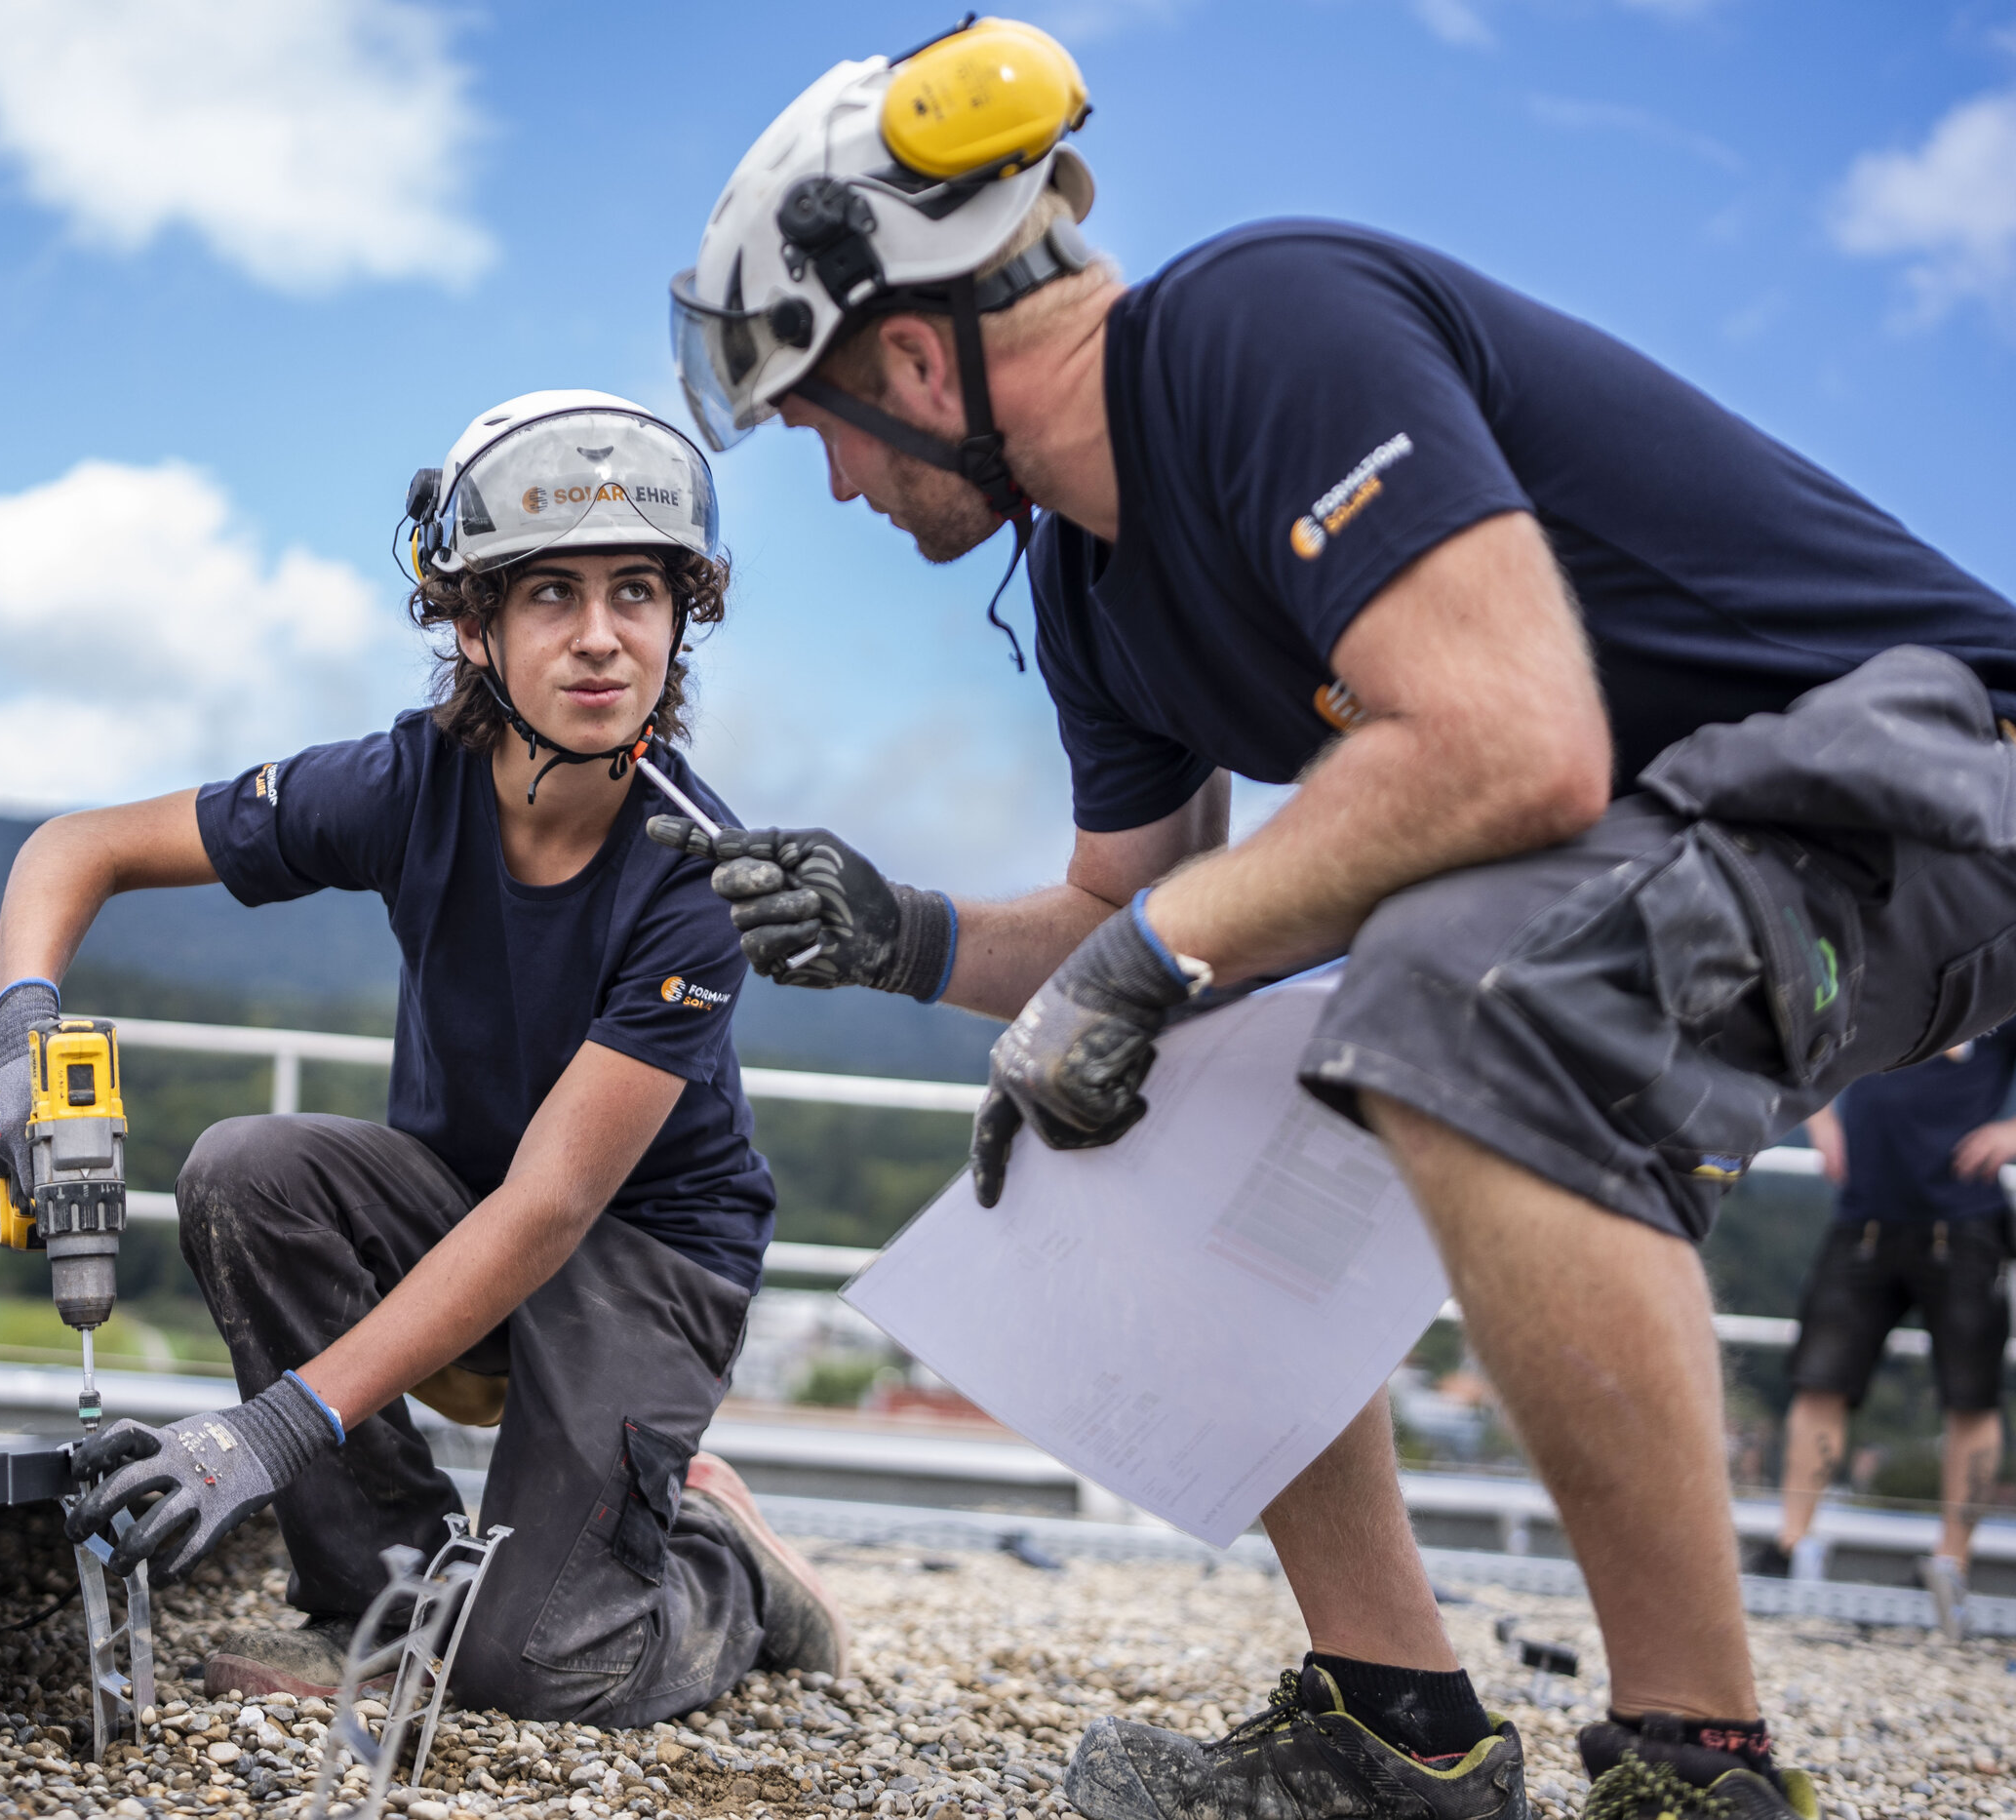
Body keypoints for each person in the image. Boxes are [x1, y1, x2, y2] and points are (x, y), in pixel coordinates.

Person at [660, 18, 2016, 1820]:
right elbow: (1133, 915)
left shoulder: (1259, 328)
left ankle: (1701, 1766)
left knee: (1465, 983)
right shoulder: (1087, 584)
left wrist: (1152, 956)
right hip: (1677, 857)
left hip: (1931, 790)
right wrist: (905, 931)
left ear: (913, 358)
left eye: (821, 426)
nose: (839, 481)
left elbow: (1514, 741)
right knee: (1156, 1068)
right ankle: (1400, 1730)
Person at [0, 391, 845, 1725]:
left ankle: (723, 1565)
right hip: (462, 1211)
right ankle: (378, 1595)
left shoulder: (698, 881)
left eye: (638, 589)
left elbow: (550, 1206)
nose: (602, 635)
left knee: (541, 1666)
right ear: (471, 623)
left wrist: (264, 1433)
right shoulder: (406, 783)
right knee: (248, 1168)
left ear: (684, 615)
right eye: (551, 592)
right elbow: (78, 848)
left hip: (644, 1257)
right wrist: (20, 1026)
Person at [1757, 1026, 2013, 1638]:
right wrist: (1821, 1124)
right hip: (1864, 1216)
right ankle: (1790, 1549)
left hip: (1966, 1224)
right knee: (1818, 1382)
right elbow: (1801, 1046)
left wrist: (2011, 1132)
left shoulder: (2000, 985)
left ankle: (1950, 1566)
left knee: (1971, 1398)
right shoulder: (1880, 979)